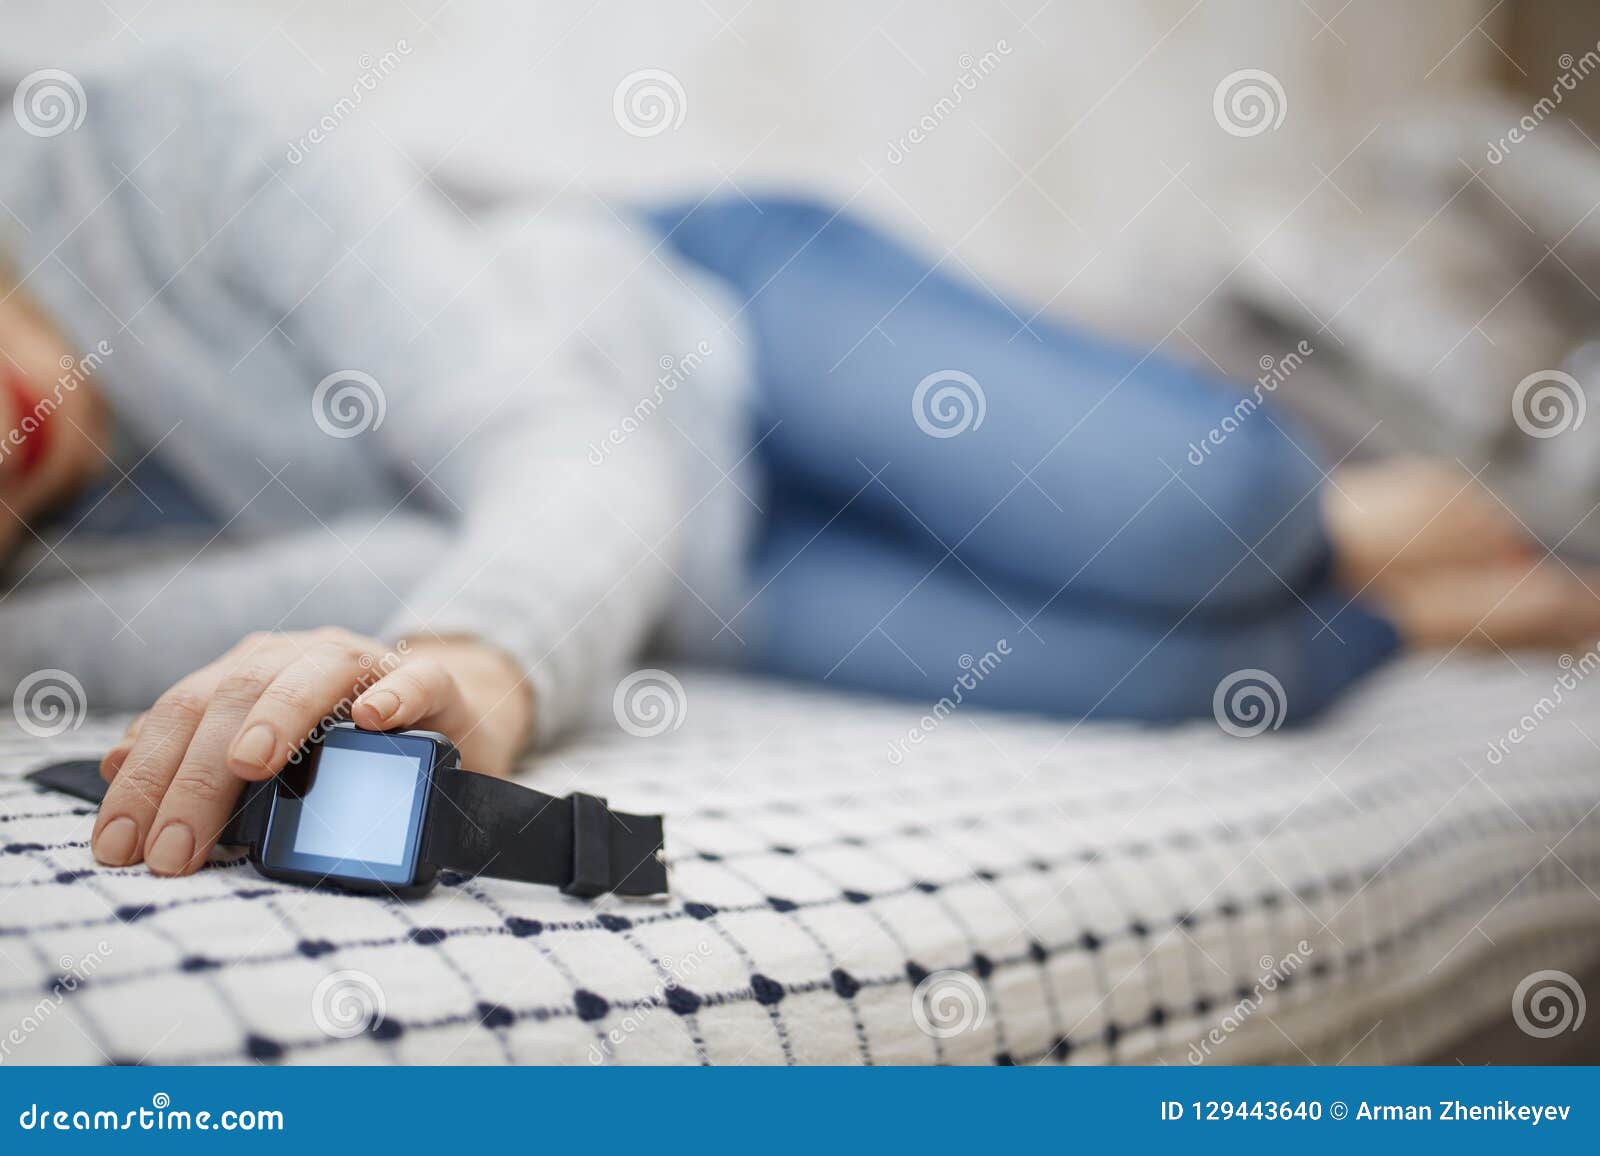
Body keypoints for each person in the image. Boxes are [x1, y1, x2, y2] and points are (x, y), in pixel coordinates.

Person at [1, 59, 1593, 879]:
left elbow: (565, 446)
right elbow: (385, 589)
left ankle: (1375, 512)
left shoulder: (144, 132)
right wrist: (432, 646)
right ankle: (1402, 598)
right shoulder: (25, 620)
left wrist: (479, 653)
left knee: (1213, 514)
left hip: (710, 331)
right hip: (684, 582)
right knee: (1240, 677)